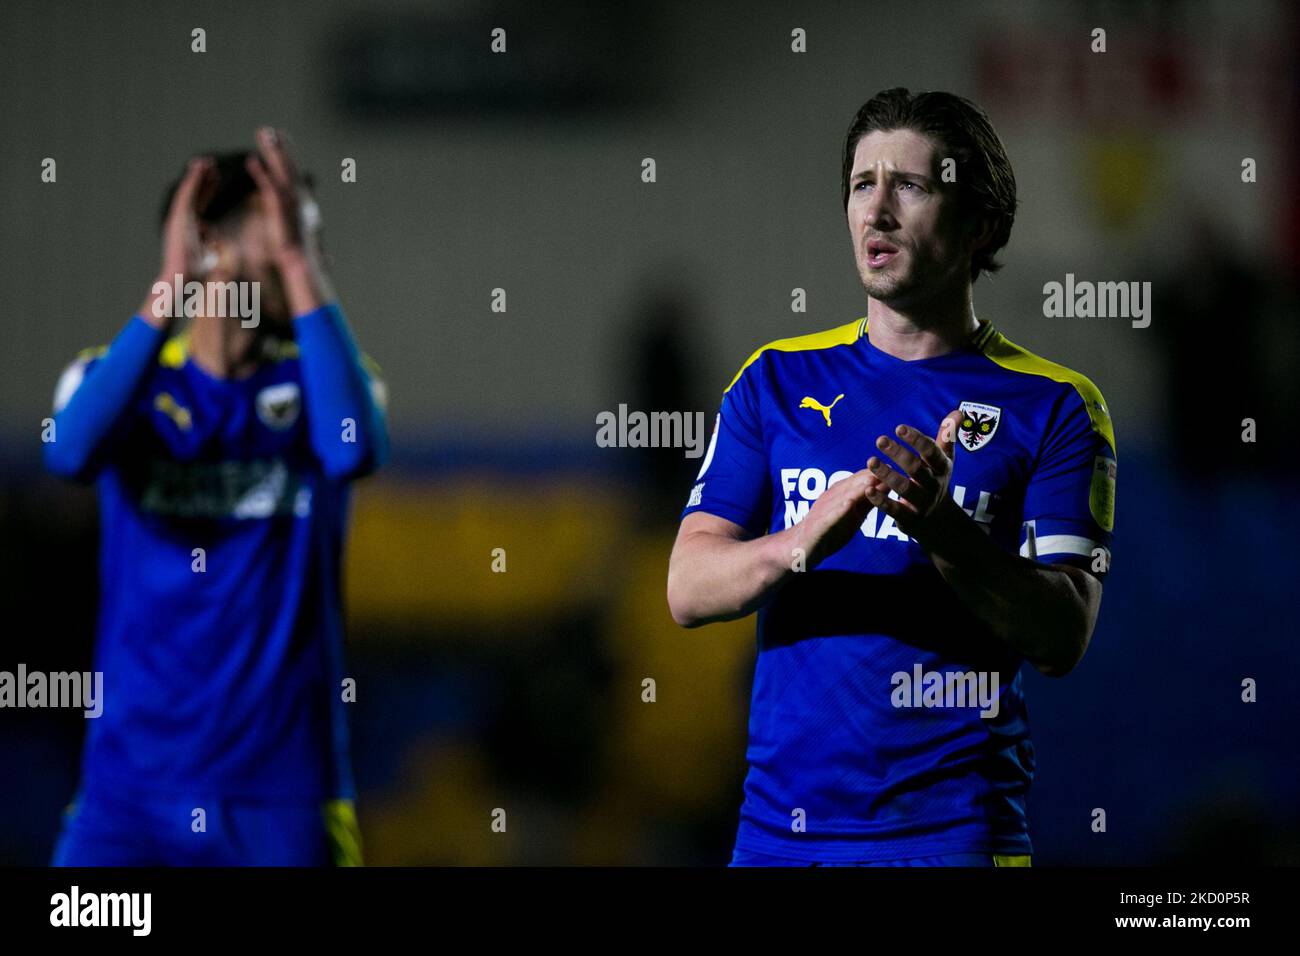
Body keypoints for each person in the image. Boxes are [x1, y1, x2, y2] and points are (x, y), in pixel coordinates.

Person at [667, 89, 1116, 866]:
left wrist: (943, 528)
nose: (877, 211)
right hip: (782, 835)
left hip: (955, 837)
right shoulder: (772, 381)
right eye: (860, 184)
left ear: (978, 223)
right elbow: (686, 587)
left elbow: (1061, 635)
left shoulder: (1056, 406)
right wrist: (803, 538)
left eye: (908, 185)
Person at [45, 127, 387, 866]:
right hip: (128, 800)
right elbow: (69, 451)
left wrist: (294, 264)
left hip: (283, 801)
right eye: (292, 237)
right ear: (216, 247)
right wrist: (169, 290)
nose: (313, 259)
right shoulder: (121, 383)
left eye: (313, 243)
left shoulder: (324, 388)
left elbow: (354, 449)